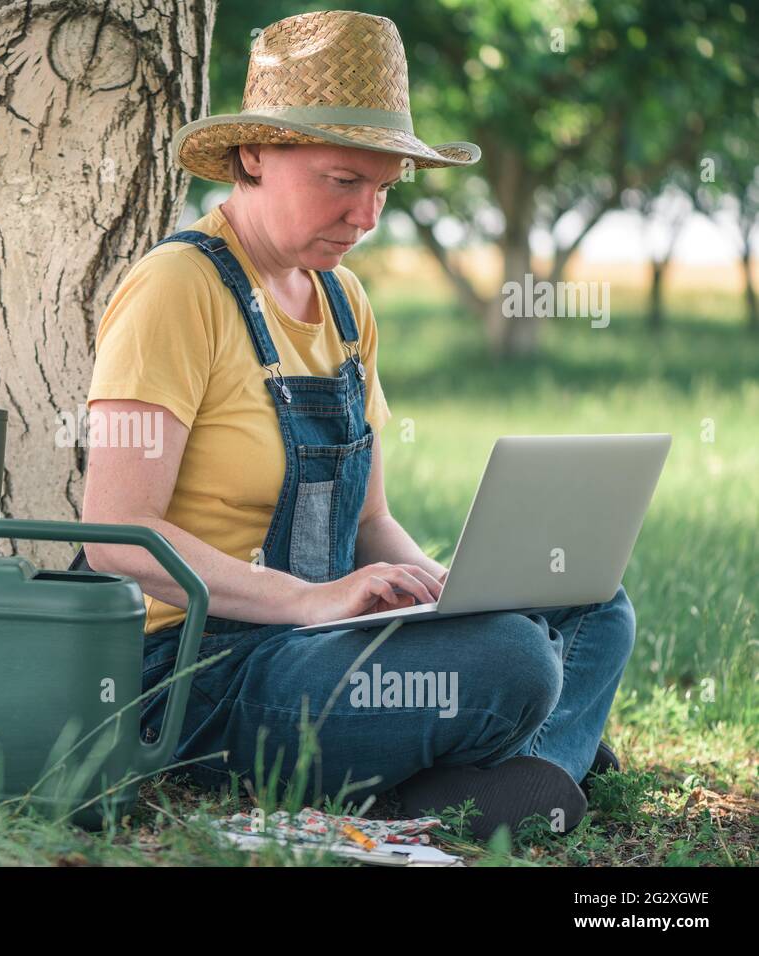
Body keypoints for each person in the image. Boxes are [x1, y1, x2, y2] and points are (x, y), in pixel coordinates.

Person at [75, 10, 634, 840]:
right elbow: (118, 537)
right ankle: (516, 761)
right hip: (201, 677)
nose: (368, 214)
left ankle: (517, 776)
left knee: (591, 605)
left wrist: (451, 591)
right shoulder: (175, 290)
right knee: (514, 660)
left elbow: (369, 523)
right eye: (343, 181)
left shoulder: (344, 303)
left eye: (384, 188)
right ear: (253, 154)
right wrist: (307, 601)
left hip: (321, 643)